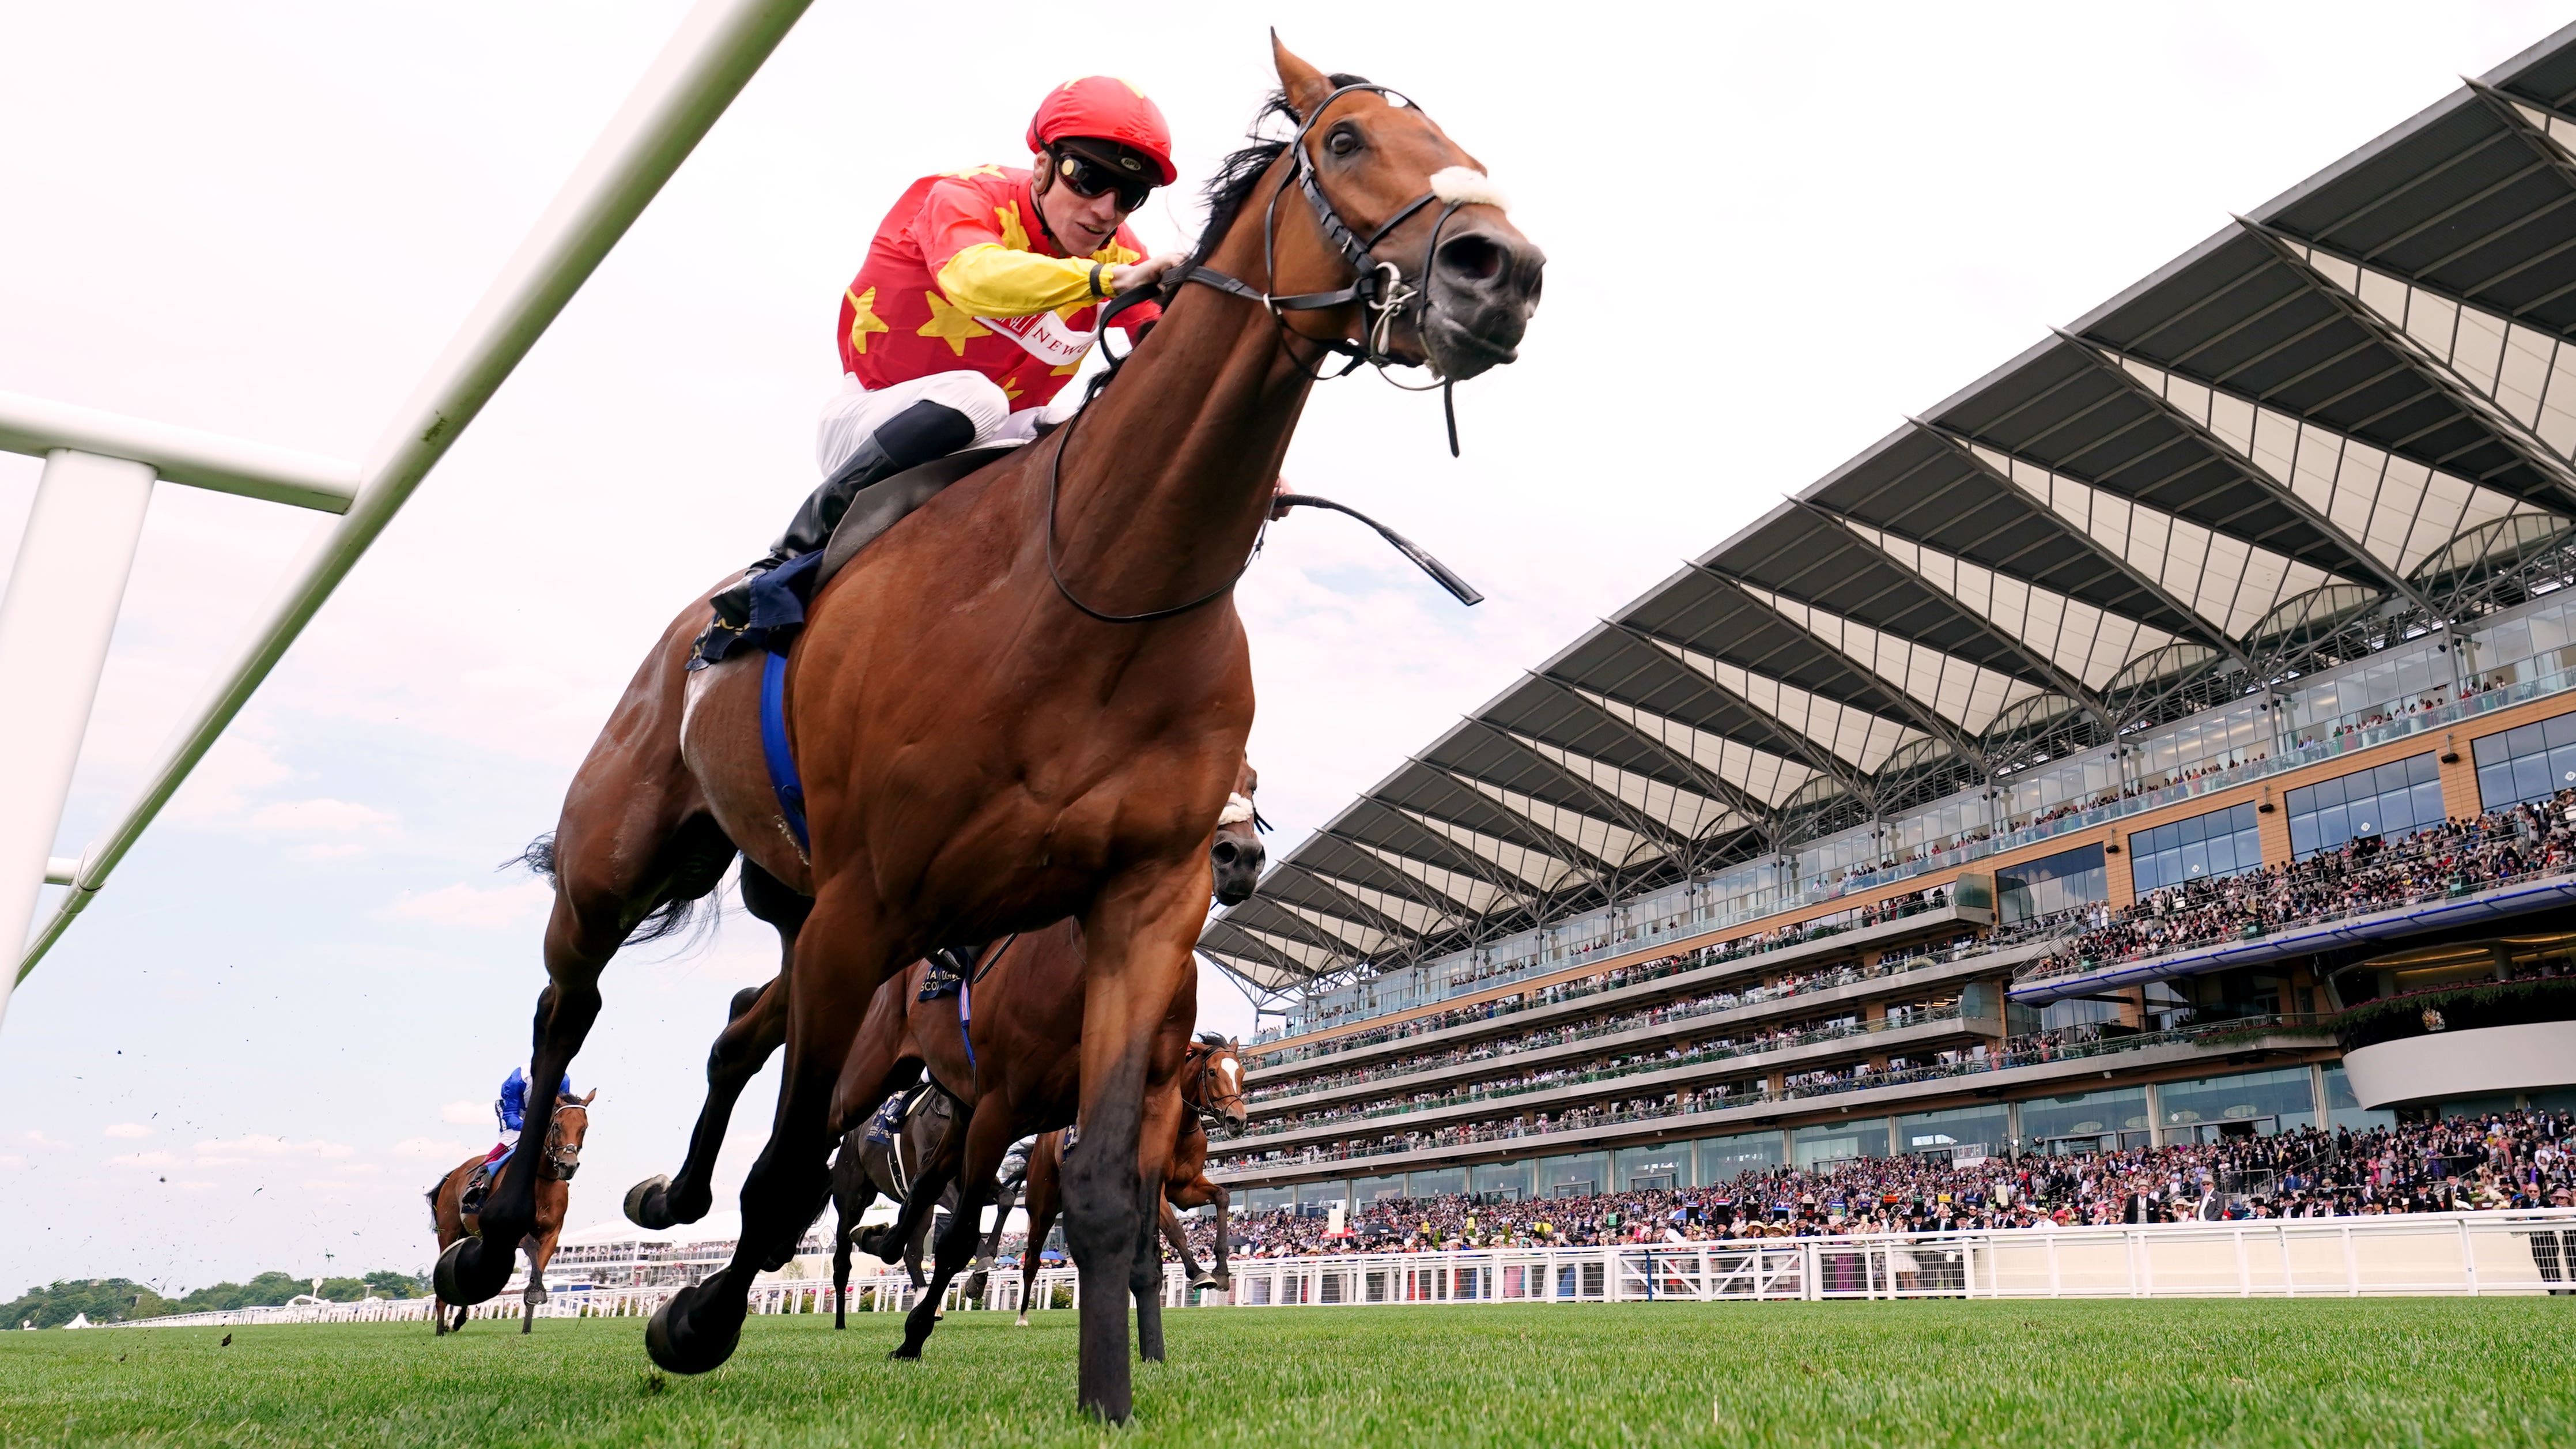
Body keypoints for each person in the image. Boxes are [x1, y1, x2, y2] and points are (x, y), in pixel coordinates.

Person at [694, 76, 1191, 665]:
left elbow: (1175, 357)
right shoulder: (962, 197)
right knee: (978, 397)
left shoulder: (1119, 250)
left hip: (995, 438)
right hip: (877, 415)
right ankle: (787, 557)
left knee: (1084, 428)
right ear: (1042, 165)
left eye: (1129, 195)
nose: (1104, 210)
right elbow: (973, 278)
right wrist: (1106, 280)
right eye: (1088, 179)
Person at [460, 1066, 573, 1217]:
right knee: (511, 1141)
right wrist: (530, 1128)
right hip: (515, 1112)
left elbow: (561, 1110)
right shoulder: (518, 1079)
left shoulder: (563, 1078)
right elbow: (510, 1114)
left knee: (554, 1143)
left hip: (543, 1116)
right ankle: (479, 1182)